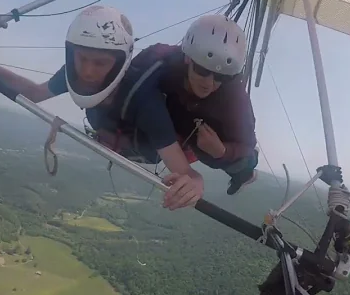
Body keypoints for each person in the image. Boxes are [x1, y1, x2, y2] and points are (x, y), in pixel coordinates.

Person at [0, 5, 204, 211]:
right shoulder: (72, 74)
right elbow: (34, 93)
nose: (87, 71)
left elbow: (186, 173)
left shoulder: (145, 102)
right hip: (110, 135)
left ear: (120, 63)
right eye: (82, 58)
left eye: (100, 63)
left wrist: (195, 184)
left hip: (143, 147)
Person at [98, 14, 259, 197]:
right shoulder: (162, 60)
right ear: (188, 58)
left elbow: (248, 147)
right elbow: (119, 80)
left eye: (221, 77)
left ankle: (244, 176)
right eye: (203, 70)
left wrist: (222, 151)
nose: (209, 83)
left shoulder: (234, 99)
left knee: (229, 160)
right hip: (178, 121)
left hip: (205, 138)